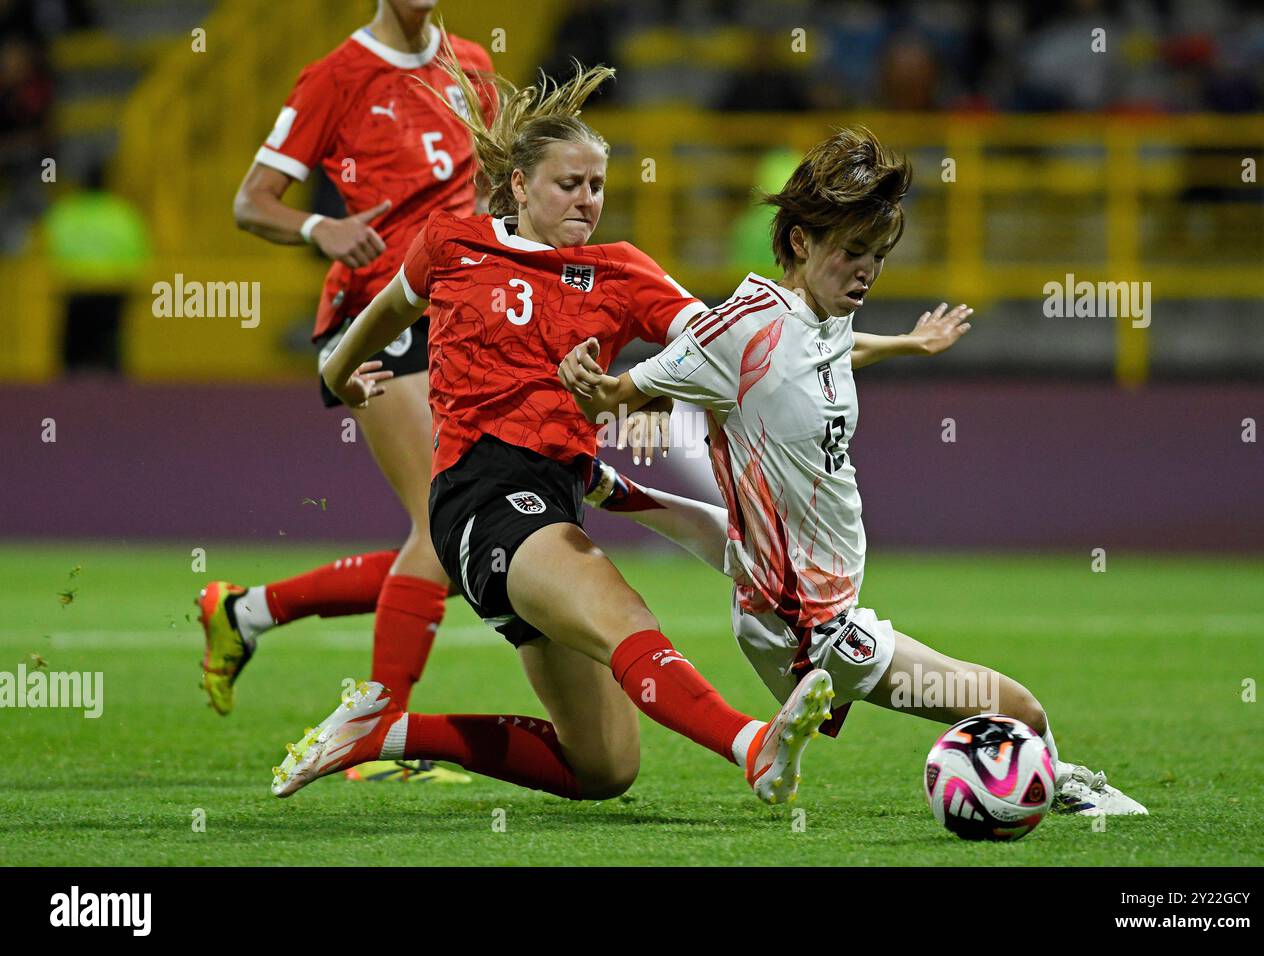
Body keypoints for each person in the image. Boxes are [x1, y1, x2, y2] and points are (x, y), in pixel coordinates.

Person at [269, 54, 834, 806]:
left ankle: (386, 733)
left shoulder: (620, 271)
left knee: (602, 767)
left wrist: (654, 392)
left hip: (554, 498)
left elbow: (720, 347)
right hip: (481, 497)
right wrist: (341, 375)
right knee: (621, 610)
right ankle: (753, 745)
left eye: (597, 185)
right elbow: (381, 315)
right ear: (519, 185)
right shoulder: (454, 245)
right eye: (570, 183)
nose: (586, 199)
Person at [558, 126, 1147, 817]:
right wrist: (587, 382)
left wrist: (907, 343)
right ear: (801, 242)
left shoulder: (824, 314)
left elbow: (826, 351)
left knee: (734, 536)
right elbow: (625, 393)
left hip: (792, 581)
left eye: (878, 256)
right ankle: (1051, 788)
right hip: (811, 621)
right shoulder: (737, 329)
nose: (867, 271)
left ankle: (609, 490)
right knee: (1019, 708)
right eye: (853, 253)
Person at [198, 0, 495, 783]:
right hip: (373, 322)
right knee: (443, 532)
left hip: (459, 321)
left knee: (451, 541)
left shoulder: (473, 64)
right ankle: (379, 731)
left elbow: (490, 196)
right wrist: (316, 230)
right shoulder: (337, 76)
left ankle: (245, 612)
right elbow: (250, 201)